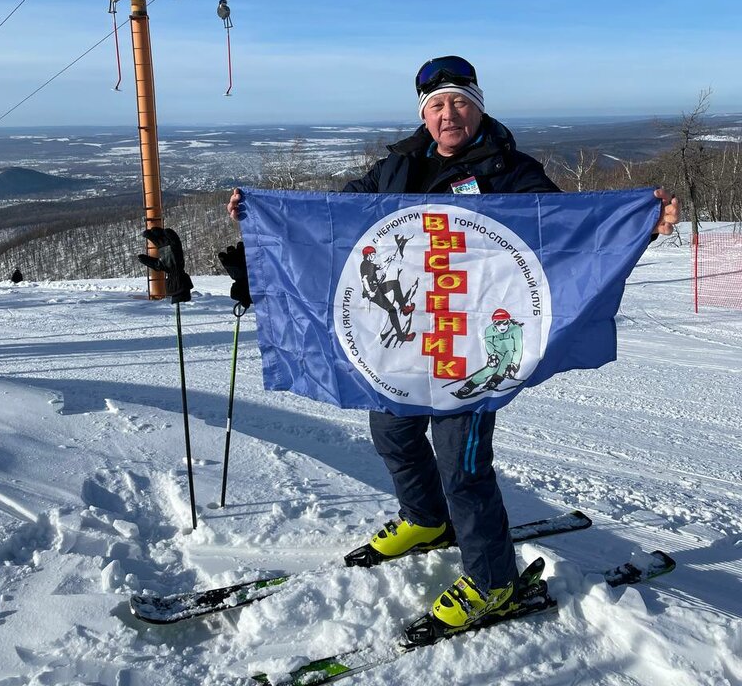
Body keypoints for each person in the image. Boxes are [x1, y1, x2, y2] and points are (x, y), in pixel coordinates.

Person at [227, 54, 679, 633]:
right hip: (406, 340)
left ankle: (493, 582)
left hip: (470, 347)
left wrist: (642, 217)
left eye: (461, 102)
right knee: (391, 429)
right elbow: (334, 221)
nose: (449, 114)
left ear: (478, 108)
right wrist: (267, 217)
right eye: (437, 105)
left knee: (462, 464)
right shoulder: (397, 166)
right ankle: (425, 519)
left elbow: (568, 232)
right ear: (424, 114)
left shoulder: (511, 171)